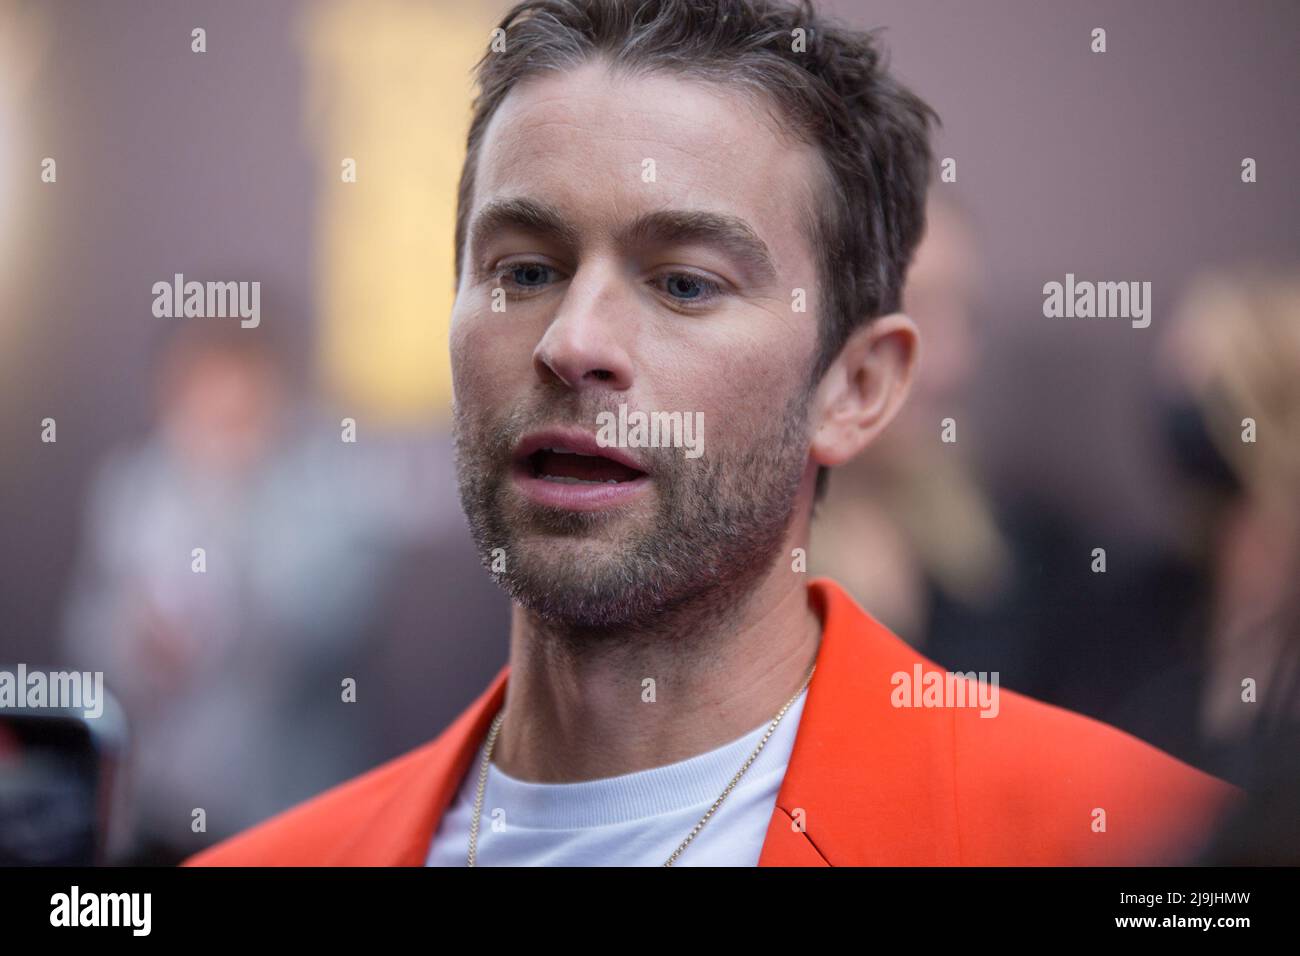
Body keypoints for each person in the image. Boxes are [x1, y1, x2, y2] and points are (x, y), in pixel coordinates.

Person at [184, 0, 1239, 867]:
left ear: (856, 386)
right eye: (523, 270)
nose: (573, 341)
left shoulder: (1146, 843)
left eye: (684, 282)